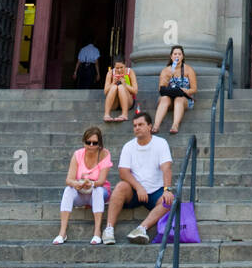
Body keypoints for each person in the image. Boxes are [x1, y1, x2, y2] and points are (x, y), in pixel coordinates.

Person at [103, 111, 173, 245]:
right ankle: (109, 229)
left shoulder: (161, 143)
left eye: (140, 124)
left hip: (155, 190)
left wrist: (167, 189)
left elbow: (166, 168)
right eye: (134, 125)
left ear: (150, 127)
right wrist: (139, 187)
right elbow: (123, 172)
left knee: (169, 200)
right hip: (135, 192)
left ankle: (141, 229)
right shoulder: (129, 146)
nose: (137, 128)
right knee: (120, 187)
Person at [53, 126, 112, 245]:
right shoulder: (78, 154)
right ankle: (62, 232)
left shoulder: (105, 154)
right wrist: (77, 183)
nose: (91, 145)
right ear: (83, 142)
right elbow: (69, 179)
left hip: (98, 192)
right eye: (88, 142)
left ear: (99, 144)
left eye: (94, 143)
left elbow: (101, 180)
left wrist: (91, 183)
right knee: (68, 190)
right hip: (81, 192)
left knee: (98, 190)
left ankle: (97, 232)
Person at [153, 45, 197, 136]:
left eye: (179, 54)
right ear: (171, 56)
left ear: (183, 56)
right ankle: (156, 126)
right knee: (165, 99)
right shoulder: (166, 70)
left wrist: (185, 90)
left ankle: (175, 125)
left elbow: (194, 89)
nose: (177, 56)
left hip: (183, 98)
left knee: (179, 99)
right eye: (175, 54)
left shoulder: (188, 69)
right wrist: (168, 78)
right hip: (168, 97)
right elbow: (161, 88)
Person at [103, 55, 138, 122]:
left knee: (121, 87)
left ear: (125, 64)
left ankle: (124, 114)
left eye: (121, 67)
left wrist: (125, 84)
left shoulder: (130, 72)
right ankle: (106, 114)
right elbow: (105, 92)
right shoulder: (110, 73)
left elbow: (135, 91)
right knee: (114, 87)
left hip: (128, 101)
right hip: (114, 103)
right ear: (114, 67)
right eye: (117, 68)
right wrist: (113, 83)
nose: (119, 70)